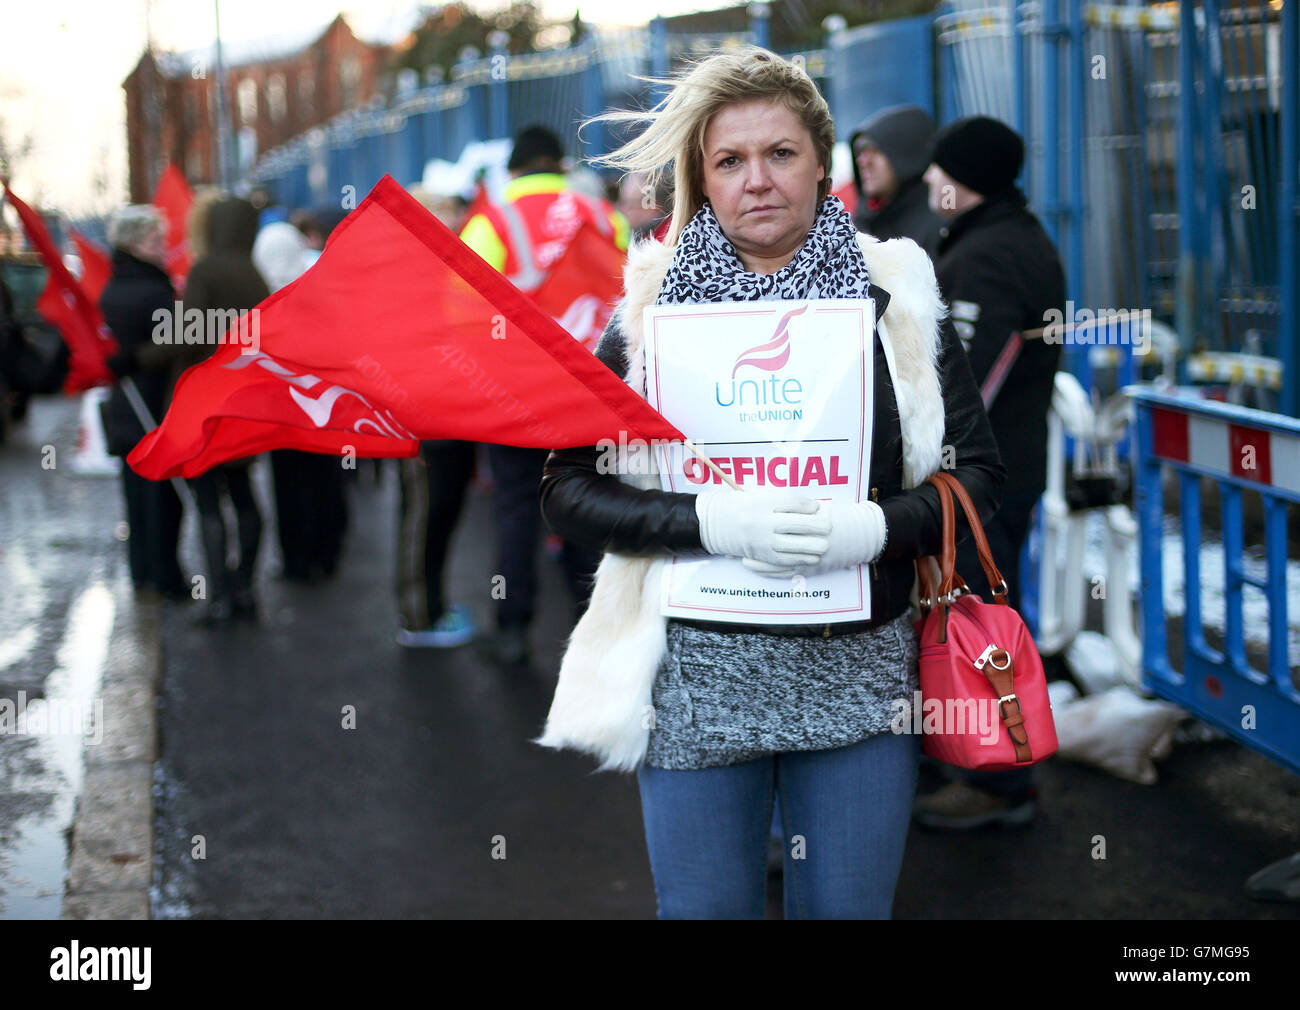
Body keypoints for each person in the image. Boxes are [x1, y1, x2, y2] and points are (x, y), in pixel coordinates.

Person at [538, 48, 1004, 918]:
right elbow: (568, 488)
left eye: (780, 154)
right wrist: (711, 521)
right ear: (701, 179)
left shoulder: (894, 293)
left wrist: (876, 528)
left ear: (820, 162)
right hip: (695, 693)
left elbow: (977, 474)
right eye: (729, 160)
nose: (757, 180)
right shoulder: (648, 310)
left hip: (860, 689)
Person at [913, 115, 1065, 830]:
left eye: (941, 171)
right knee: (982, 620)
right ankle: (980, 765)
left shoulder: (990, 256)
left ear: (966, 178)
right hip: (1003, 474)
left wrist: (921, 459)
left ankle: (1000, 783)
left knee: (981, 627)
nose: (931, 183)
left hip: (981, 484)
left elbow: (971, 385)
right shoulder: (1007, 238)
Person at [460, 124, 630, 666]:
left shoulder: (492, 220)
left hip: (515, 398)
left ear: (513, 169)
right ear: (559, 164)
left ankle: (512, 630)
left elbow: (460, 311)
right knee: (586, 510)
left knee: (516, 512)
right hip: (591, 396)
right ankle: (596, 637)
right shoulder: (604, 215)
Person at [392, 186, 477, 648]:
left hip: (446, 415)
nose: (456, 223)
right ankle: (419, 616)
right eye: (445, 214)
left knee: (436, 515)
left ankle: (431, 605)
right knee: (425, 517)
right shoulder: (413, 273)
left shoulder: (439, 268)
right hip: (425, 421)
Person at [178, 196, 269, 623]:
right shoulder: (255, 274)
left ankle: (218, 597)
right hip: (244, 400)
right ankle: (244, 586)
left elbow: (190, 335)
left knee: (209, 502)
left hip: (207, 402)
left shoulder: (206, 269)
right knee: (245, 496)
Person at [99, 205, 188, 598]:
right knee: (163, 499)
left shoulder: (112, 286)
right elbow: (177, 339)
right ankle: (167, 577)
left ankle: (142, 573)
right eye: (155, 239)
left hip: (125, 406)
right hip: (153, 404)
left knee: (136, 496)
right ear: (134, 243)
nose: (163, 246)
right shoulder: (153, 289)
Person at [849, 105, 942, 256]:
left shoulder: (936, 227)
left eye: (874, 150)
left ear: (905, 152)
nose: (862, 161)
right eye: (859, 151)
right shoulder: (862, 222)